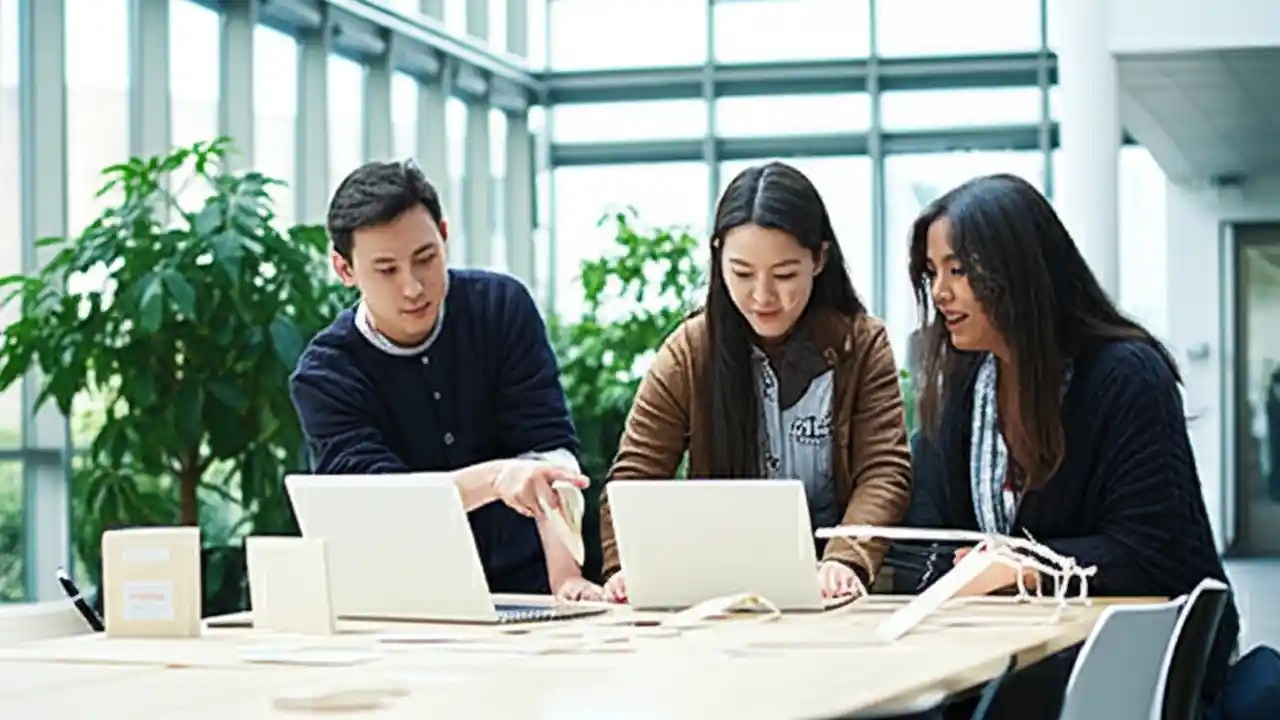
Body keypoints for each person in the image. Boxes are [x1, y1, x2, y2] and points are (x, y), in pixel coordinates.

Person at [905, 173, 1239, 716]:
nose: (940, 292)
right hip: (1007, 659)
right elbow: (932, 527)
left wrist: (1027, 565)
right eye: (932, 272)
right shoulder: (965, 386)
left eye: (958, 270)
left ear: (1018, 269)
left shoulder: (1125, 375)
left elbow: (1156, 554)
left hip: (1128, 667)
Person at [568, 161, 913, 603]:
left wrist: (846, 560)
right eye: (743, 273)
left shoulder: (861, 345)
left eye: (785, 275)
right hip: (721, 589)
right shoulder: (691, 350)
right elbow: (635, 476)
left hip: (838, 591)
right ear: (718, 257)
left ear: (819, 259)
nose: (763, 296)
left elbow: (884, 470)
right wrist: (626, 569)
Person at [289, 159, 589, 597]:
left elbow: (549, 452)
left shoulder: (501, 308)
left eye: (425, 258)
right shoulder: (326, 374)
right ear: (345, 269)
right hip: (405, 596)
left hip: (531, 585)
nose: (413, 287)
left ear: (444, 235)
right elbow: (377, 504)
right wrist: (498, 478)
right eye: (387, 270)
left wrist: (566, 580)